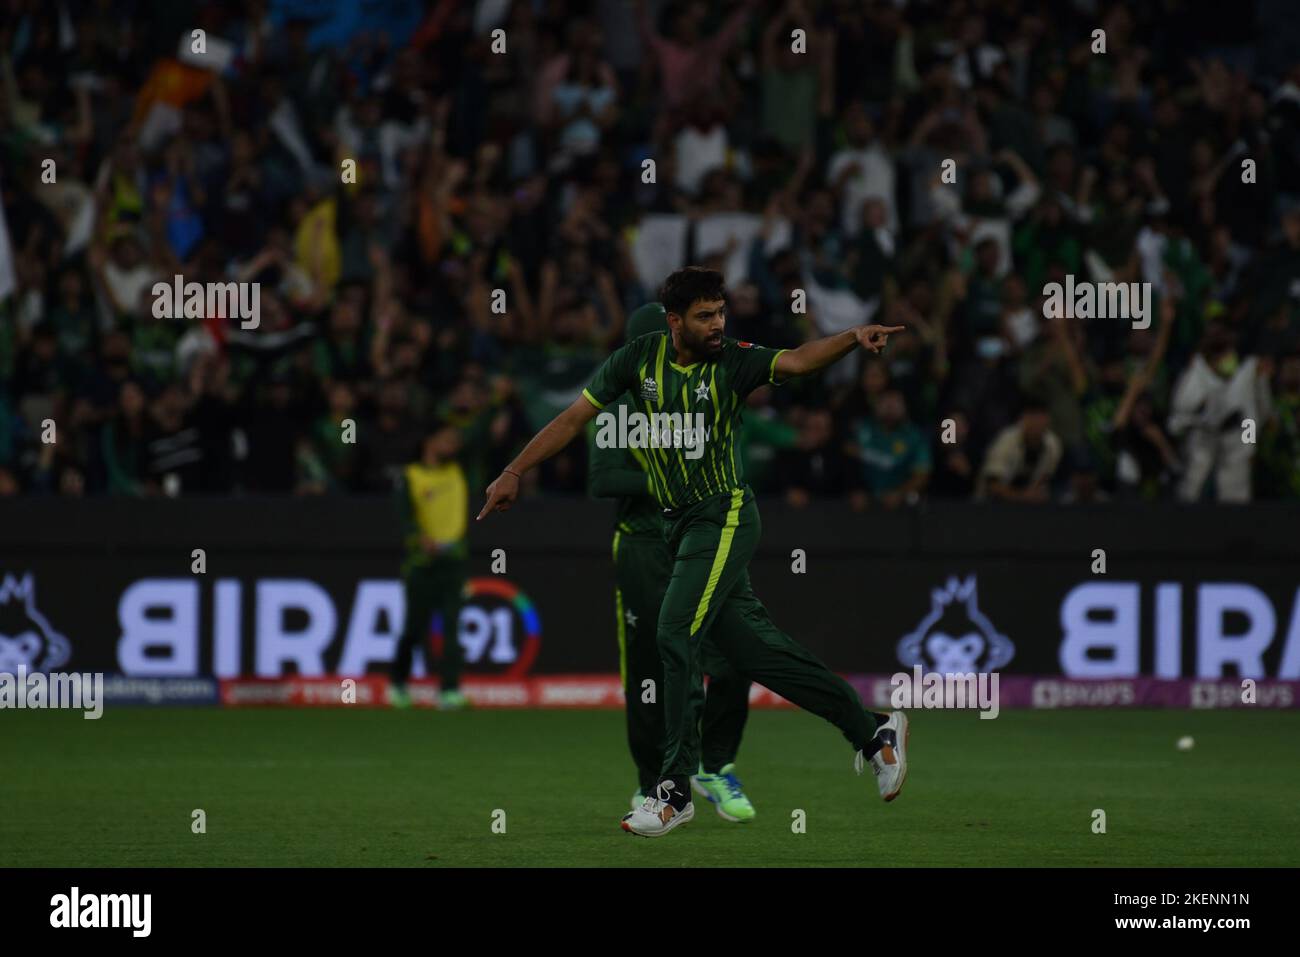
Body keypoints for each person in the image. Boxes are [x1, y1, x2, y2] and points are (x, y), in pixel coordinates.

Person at [480, 266, 908, 837]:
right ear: (674, 321)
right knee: (758, 653)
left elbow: (799, 361)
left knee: (672, 631)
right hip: (676, 528)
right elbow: (574, 417)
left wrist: (851, 337)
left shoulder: (732, 360)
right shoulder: (637, 360)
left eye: (721, 312)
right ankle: (874, 729)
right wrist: (514, 470)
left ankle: (673, 790)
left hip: (724, 515)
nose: (718, 324)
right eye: (705, 316)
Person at [587, 302, 756, 822]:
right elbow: (602, 480)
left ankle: (714, 764)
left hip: (701, 539)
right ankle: (651, 785)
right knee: (648, 674)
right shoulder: (617, 407)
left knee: (733, 657)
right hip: (642, 546)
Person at [390, 422, 470, 711]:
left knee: (451, 627)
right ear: (429, 442)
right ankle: (398, 683)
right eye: (447, 439)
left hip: (453, 563)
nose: (453, 445)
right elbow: (405, 517)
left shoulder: (458, 471)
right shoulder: (410, 476)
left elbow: (484, 433)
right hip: (422, 564)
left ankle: (449, 691)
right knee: (413, 627)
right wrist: (419, 538)